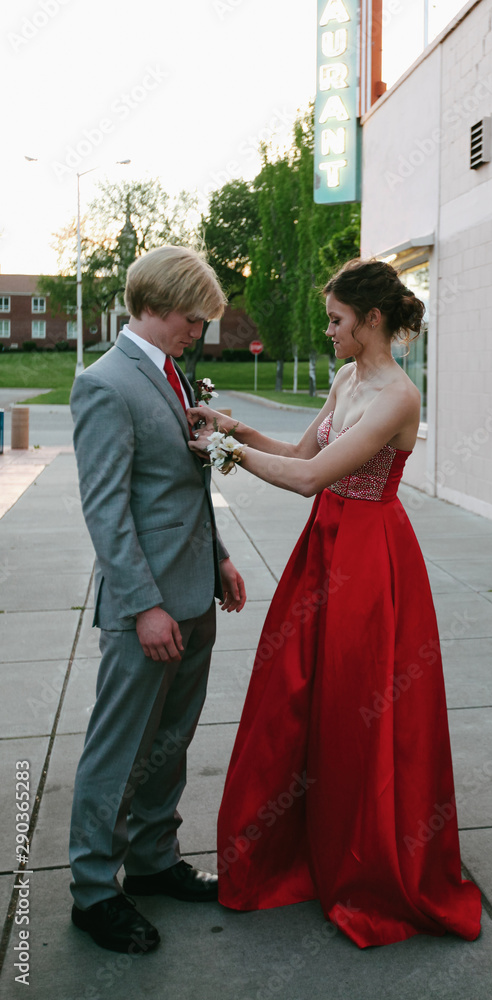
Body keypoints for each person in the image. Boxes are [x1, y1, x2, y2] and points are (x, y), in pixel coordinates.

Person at [188, 258, 481, 948]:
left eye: (337, 320)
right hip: (325, 546)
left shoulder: (398, 397)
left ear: (371, 320)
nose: (329, 331)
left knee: (356, 704)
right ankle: (299, 844)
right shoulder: (348, 377)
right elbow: (296, 448)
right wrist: (234, 427)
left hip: (370, 557)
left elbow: (311, 477)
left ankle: (367, 857)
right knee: (292, 691)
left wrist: (222, 448)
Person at [69, 245, 246, 954]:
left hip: (193, 592)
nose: (198, 332)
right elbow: (107, 509)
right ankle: (92, 891)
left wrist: (221, 560)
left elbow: (183, 489)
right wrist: (144, 605)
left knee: (171, 741)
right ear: (156, 304)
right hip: (149, 610)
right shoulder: (106, 383)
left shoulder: (174, 376)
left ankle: (150, 860)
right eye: (193, 318)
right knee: (120, 749)